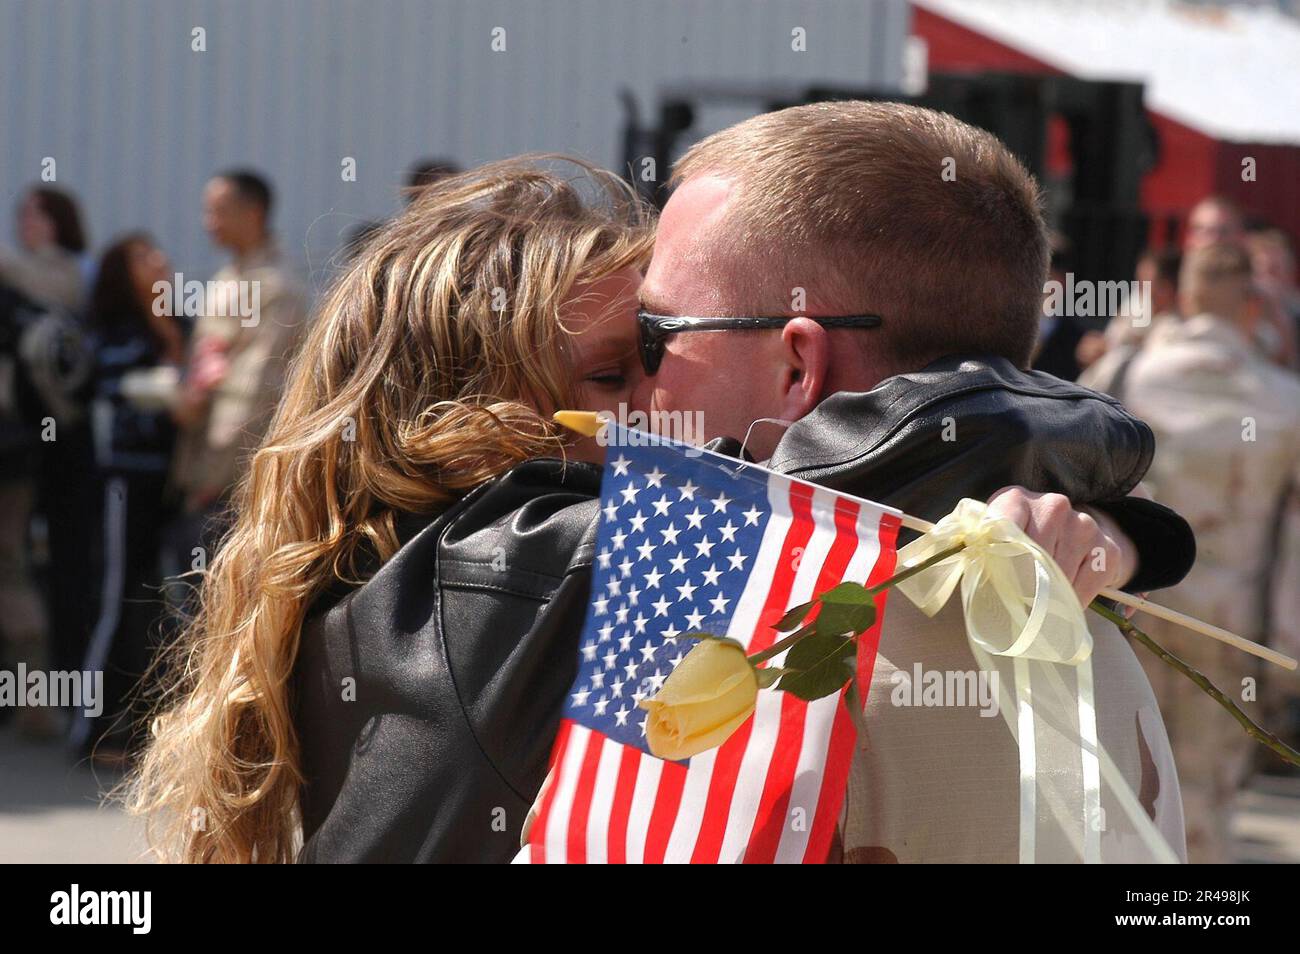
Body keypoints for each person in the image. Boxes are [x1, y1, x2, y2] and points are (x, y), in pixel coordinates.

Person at [124, 156, 1184, 863]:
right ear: (474, 402)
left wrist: (1116, 521)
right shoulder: (507, 560)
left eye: (663, 352)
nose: (660, 399)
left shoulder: (435, 558)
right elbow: (863, 465)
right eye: (619, 370)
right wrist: (1125, 518)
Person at [627, 101, 1194, 861]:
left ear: (799, 366)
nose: (636, 386)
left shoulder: (722, 629)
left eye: (654, 335)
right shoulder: (1089, 624)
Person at [1084, 242, 1300, 862]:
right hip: (1233, 626)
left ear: (1183, 293)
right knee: (1204, 798)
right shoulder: (1283, 402)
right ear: (1252, 305)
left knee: (1120, 788)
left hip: (1128, 610)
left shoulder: (1121, 379)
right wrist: (1284, 647)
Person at [72, 234, 186, 763]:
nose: (159, 260)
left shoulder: (178, 322)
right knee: (116, 599)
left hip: (169, 484)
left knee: (157, 604)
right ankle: (90, 728)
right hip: (124, 483)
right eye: (144, 255)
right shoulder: (113, 333)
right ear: (122, 271)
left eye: (158, 252)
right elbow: (141, 396)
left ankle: (140, 730)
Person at [169, 169, 309, 560]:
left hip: (236, 475)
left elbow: (254, 388)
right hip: (205, 463)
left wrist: (213, 477)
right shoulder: (229, 276)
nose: (208, 222)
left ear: (253, 213)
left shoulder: (277, 286)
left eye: (218, 211)